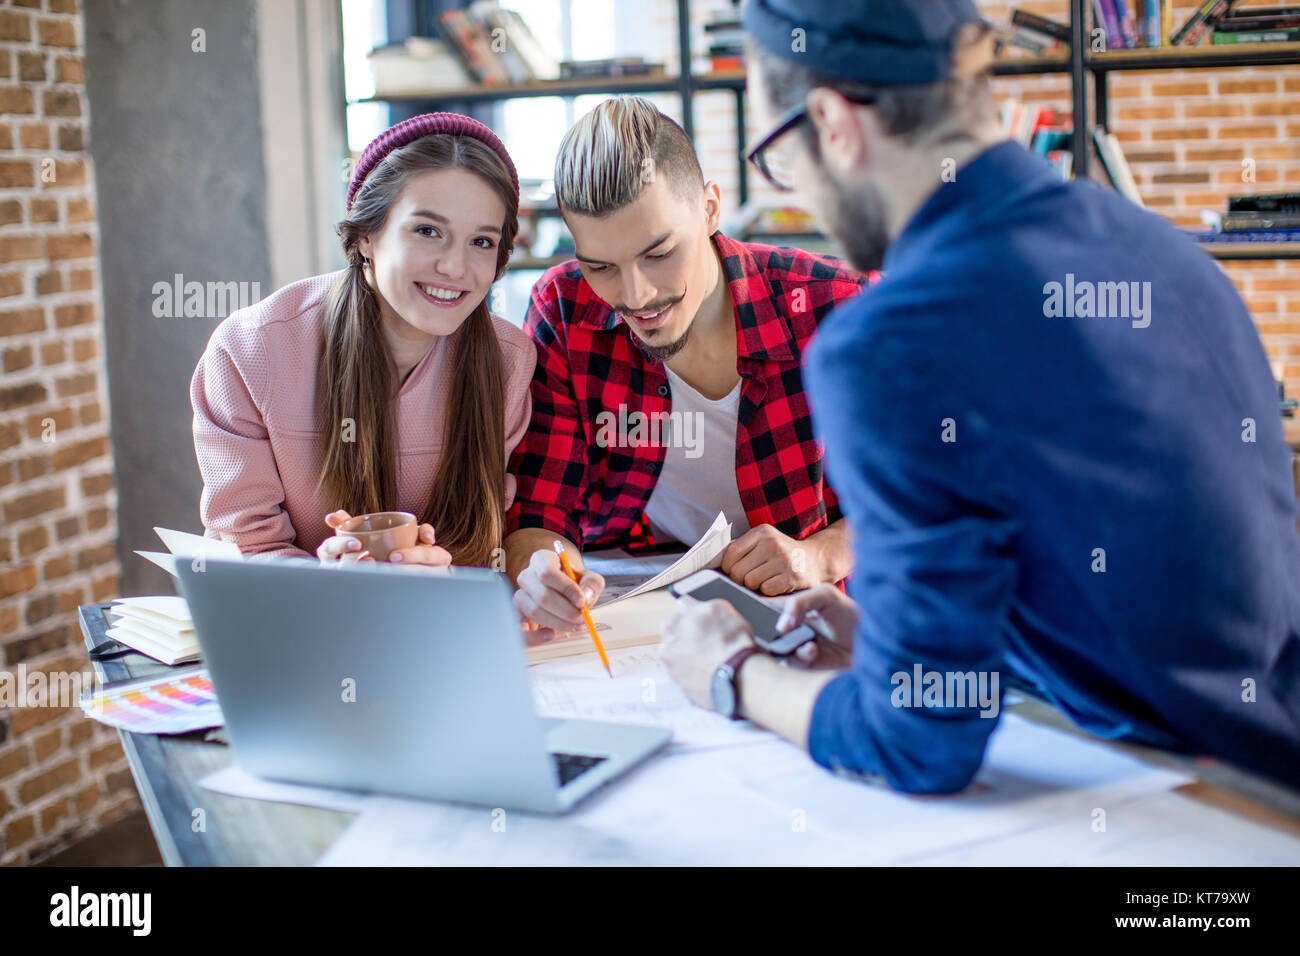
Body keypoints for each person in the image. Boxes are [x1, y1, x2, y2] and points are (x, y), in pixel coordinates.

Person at [662, 0, 1300, 793]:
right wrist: (892, 645)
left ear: (833, 123)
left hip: (1211, 807)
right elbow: (1133, 584)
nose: (800, 196)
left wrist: (733, 673)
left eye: (779, 156)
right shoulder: (1163, 253)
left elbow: (920, 747)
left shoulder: (894, 340)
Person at [506, 96, 867, 633]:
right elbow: (541, 515)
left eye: (659, 254)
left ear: (710, 208)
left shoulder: (836, 306)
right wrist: (541, 572)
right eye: (601, 266)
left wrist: (822, 554)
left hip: (817, 618)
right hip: (636, 620)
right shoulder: (564, 309)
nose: (635, 296)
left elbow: (940, 500)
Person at [191, 113, 535, 569]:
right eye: (428, 231)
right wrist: (326, 580)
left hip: (439, 624)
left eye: (482, 242)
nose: (455, 267)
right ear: (367, 235)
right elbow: (244, 551)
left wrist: (441, 570)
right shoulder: (250, 351)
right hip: (296, 626)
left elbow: (491, 545)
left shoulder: (508, 360)